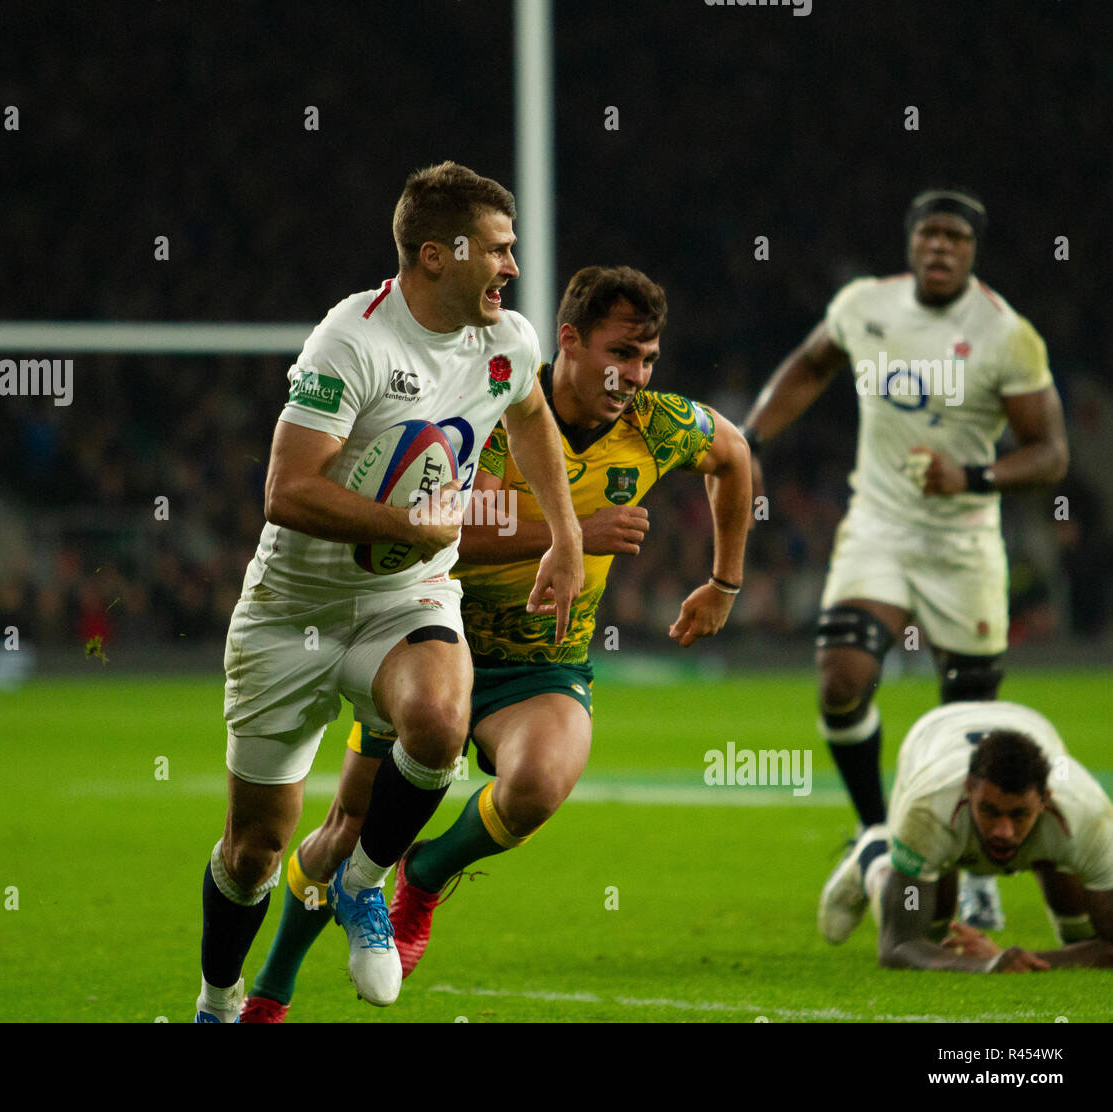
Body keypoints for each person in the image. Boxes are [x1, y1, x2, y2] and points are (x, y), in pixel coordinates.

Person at [239, 264, 751, 1021]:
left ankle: (428, 872)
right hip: (427, 647)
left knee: (540, 784)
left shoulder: (657, 426)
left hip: (541, 666)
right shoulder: (494, 396)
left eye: (647, 359)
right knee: (345, 832)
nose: (633, 377)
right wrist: (569, 534)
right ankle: (270, 994)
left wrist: (724, 582)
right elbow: (438, 534)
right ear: (568, 340)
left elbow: (734, 455)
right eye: (620, 354)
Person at [194, 162, 584, 1021]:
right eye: (498, 249)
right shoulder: (352, 341)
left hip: (403, 599)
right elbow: (286, 491)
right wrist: (407, 525)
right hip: (290, 612)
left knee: (440, 724)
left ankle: (363, 881)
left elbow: (530, 421)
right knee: (256, 850)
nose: (512, 267)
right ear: (438, 256)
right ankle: (218, 1003)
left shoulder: (507, 341)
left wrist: (565, 532)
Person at [739, 189, 1068, 929]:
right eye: (930, 233)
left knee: (967, 717)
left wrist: (974, 476)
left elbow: (1050, 454)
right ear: (912, 241)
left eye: (955, 236)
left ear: (972, 250)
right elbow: (808, 367)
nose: (941, 247)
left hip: (963, 540)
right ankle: (874, 831)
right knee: (841, 678)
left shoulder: (1007, 335)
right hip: (880, 525)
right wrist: (748, 442)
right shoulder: (864, 306)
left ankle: (974, 871)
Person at [818, 700, 1113, 971]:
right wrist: (987, 966)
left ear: (1045, 799)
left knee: (1080, 932)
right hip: (933, 737)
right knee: (931, 928)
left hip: (1031, 724)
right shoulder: (928, 811)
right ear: (969, 788)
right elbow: (899, 945)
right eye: (990, 810)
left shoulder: (1091, 818)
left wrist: (1014, 958)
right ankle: (874, 858)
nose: (1003, 832)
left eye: (1019, 814)